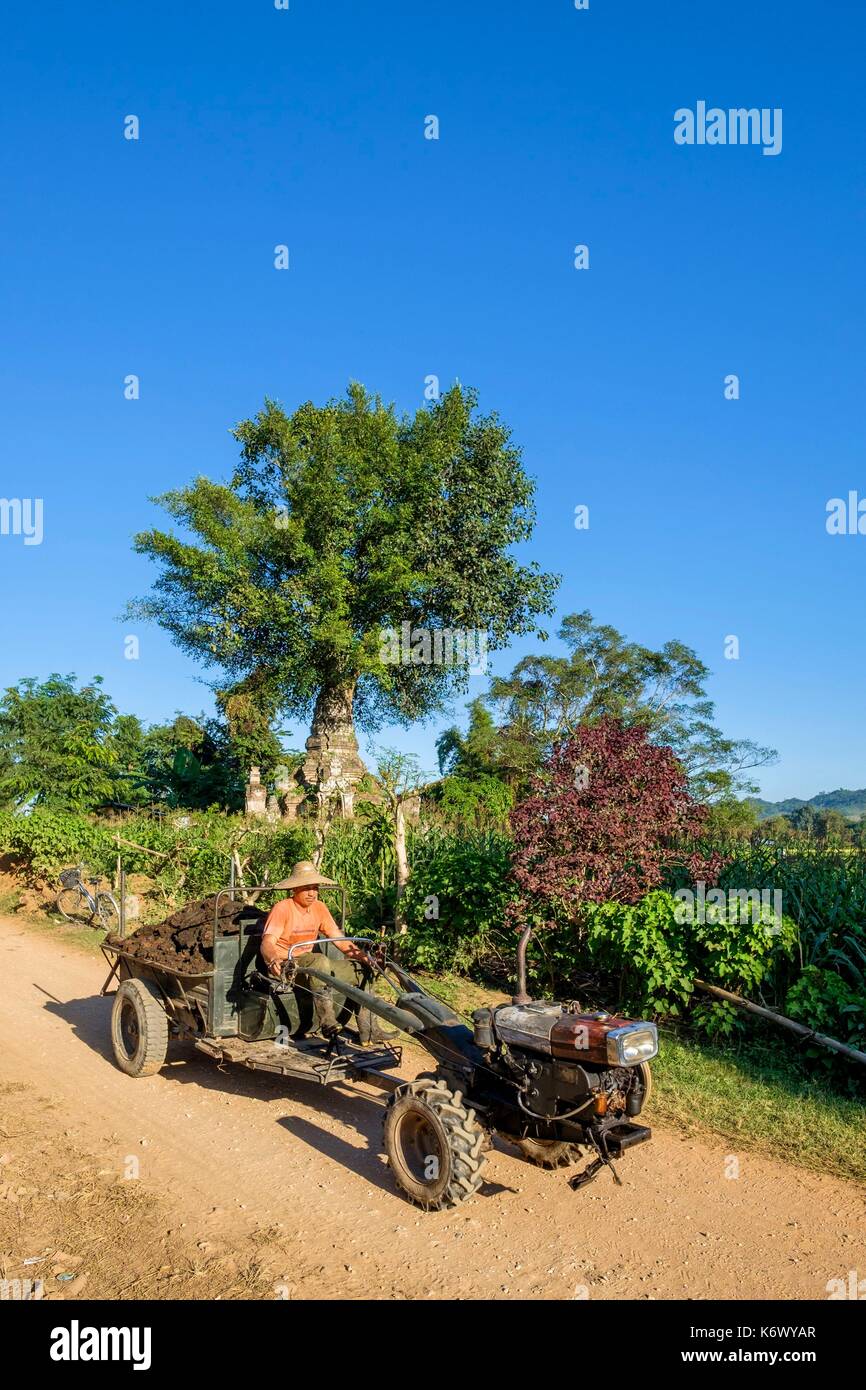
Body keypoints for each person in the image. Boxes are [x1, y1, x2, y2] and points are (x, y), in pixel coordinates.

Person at [260, 861, 368, 1037]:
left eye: (315, 887)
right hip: (288, 967)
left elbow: (339, 939)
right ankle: (328, 1022)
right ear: (295, 889)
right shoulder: (283, 908)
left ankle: (369, 1030)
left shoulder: (320, 908)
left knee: (361, 970)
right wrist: (272, 959)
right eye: (306, 888)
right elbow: (267, 942)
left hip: (313, 965)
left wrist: (364, 957)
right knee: (319, 960)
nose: (312, 893)